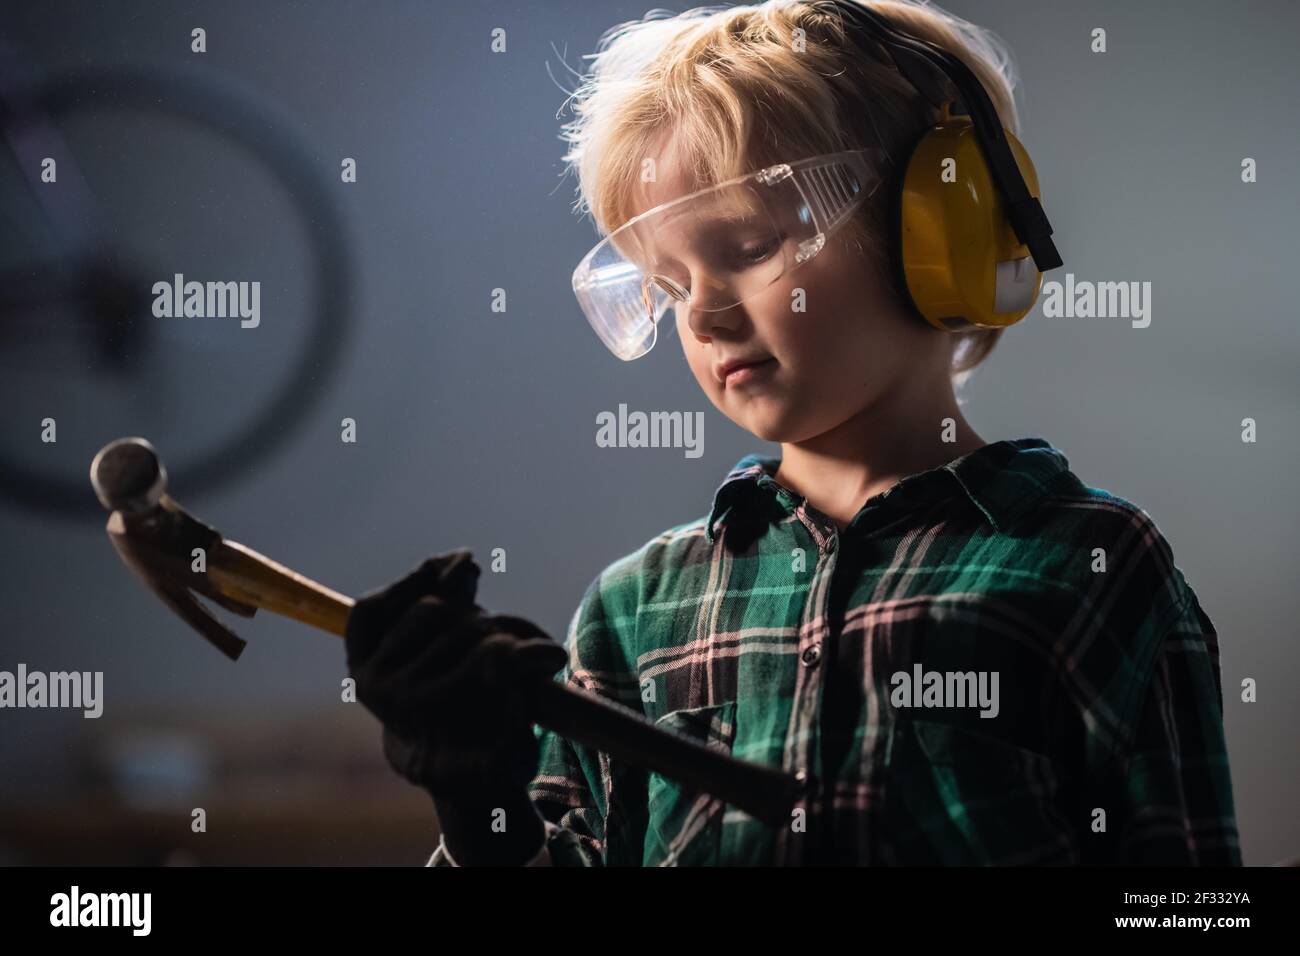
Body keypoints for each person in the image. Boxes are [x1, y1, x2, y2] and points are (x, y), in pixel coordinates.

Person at [345, 0, 1241, 866]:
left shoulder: (1090, 564)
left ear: (944, 229)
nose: (702, 313)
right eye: (669, 283)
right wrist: (483, 811)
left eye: (748, 248)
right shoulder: (632, 609)